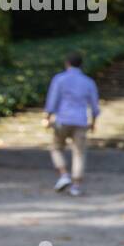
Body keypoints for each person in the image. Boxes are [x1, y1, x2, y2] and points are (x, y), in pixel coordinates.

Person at [43, 51, 100, 196]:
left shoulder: (59, 79)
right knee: (79, 153)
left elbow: (52, 100)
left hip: (63, 119)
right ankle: (76, 186)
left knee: (56, 148)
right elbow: (94, 105)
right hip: (81, 120)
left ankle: (64, 175)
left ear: (67, 63)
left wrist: (47, 117)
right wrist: (93, 122)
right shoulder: (88, 82)